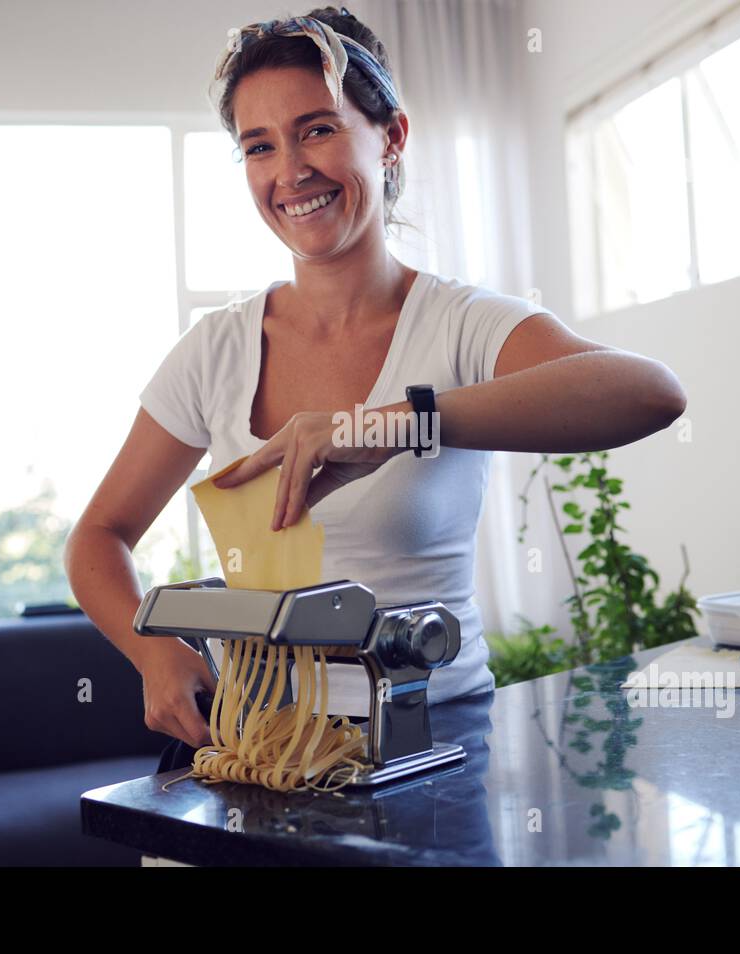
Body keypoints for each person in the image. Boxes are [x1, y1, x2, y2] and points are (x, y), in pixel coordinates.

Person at [63, 6, 687, 775]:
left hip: (431, 739)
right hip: (261, 746)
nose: (290, 171)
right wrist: (152, 650)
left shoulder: (461, 324)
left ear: (390, 137)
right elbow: (98, 538)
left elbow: (651, 393)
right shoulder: (217, 350)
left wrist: (393, 424)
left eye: (318, 129)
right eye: (259, 146)